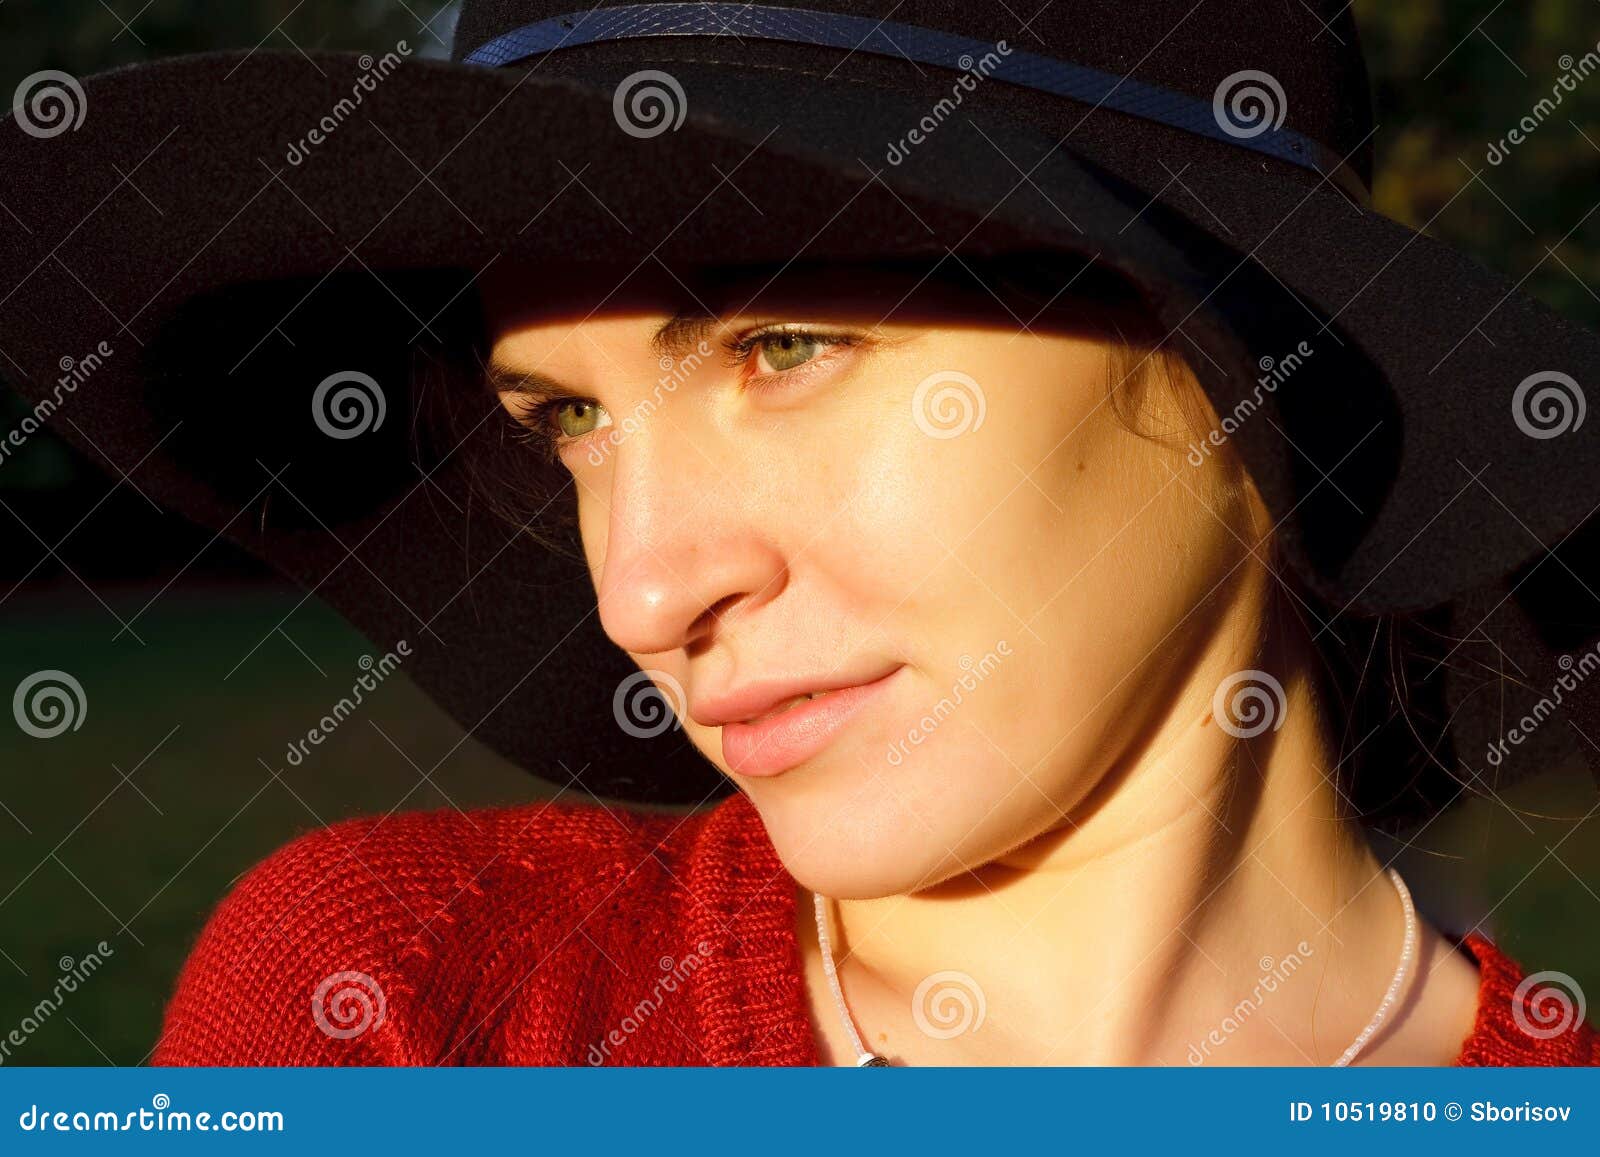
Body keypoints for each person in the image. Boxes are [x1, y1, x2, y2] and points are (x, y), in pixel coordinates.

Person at [1, 2, 1595, 1066]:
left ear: (1247, 377)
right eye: (565, 417)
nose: (639, 590)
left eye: (781, 348)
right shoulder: (408, 1008)